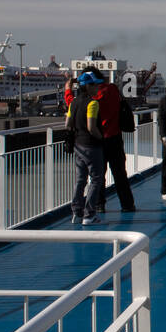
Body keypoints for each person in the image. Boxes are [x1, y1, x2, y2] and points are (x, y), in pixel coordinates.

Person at [85, 68, 135, 214]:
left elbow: (77, 105)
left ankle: (99, 204)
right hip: (115, 138)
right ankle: (127, 204)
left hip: (98, 139)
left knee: (98, 175)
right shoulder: (113, 88)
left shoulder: (94, 96)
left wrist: (68, 91)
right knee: (120, 174)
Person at [66, 72, 106, 225]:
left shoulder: (73, 103)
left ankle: (76, 213)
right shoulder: (93, 103)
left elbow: (67, 124)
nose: (97, 87)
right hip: (92, 145)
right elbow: (92, 127)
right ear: (87, 86)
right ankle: (89, 215)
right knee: (96, 179)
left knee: (80, 179)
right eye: (95, 85)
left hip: (78, 146)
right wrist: (101, 138)